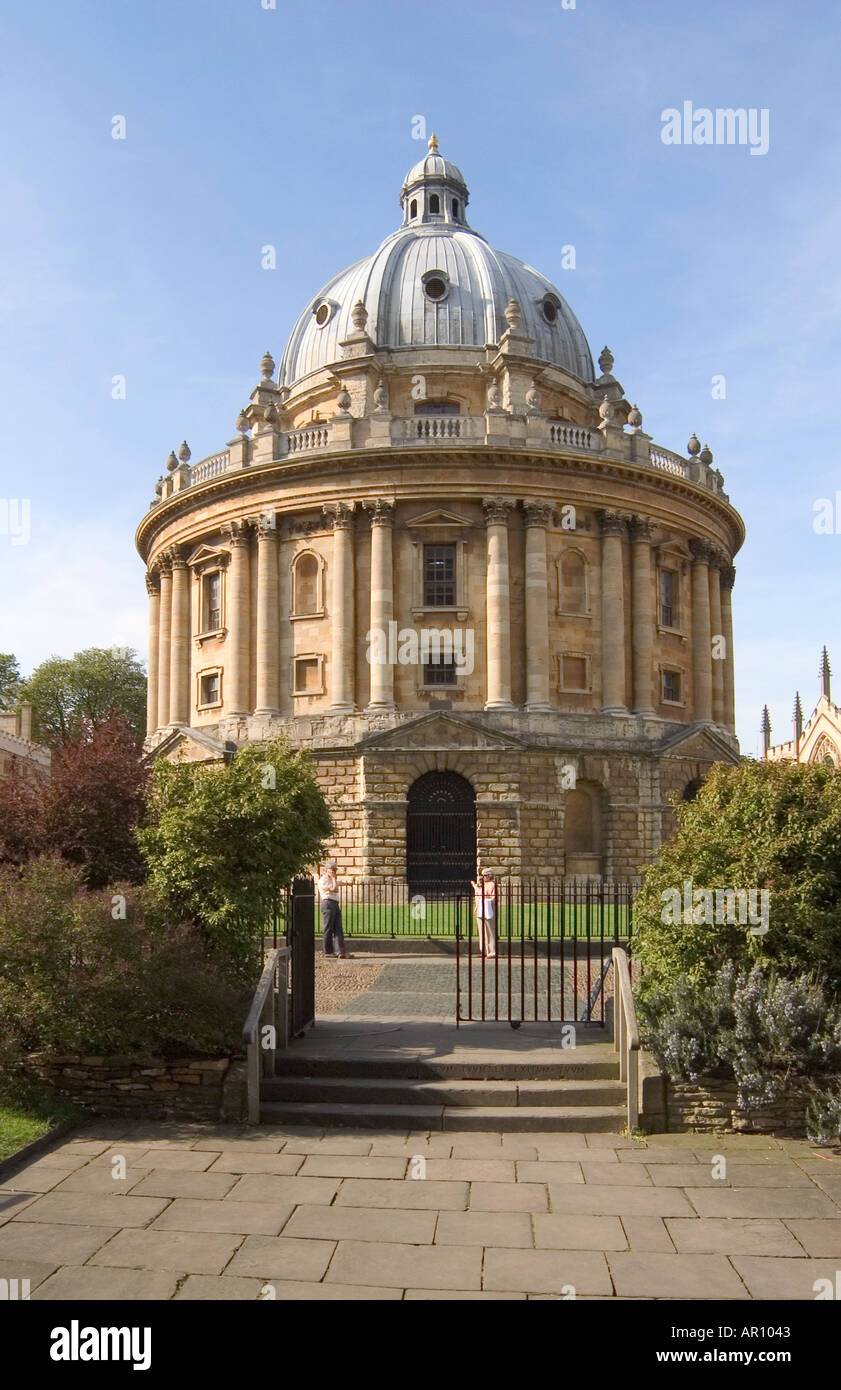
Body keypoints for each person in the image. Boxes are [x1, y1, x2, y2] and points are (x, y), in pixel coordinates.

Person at [317, 858, 348, 958]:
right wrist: (334, 879)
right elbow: (334, 889)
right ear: (326, 870)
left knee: (338, 928)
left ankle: (340, 952)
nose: (334, 872)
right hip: (328, 904)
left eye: (335, 870)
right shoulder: (322, 881)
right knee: (328, 928)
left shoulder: (331, 880)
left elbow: (339, 883)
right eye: (332, 870)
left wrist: (347, 884)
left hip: (335, 904)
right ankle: (328, 951)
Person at [470, 868, 497, 958]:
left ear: (490, 876)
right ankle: (484, 950)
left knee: (489, 930)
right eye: (483, 875)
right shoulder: (483, 885)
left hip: (488, 909)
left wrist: (476, 887)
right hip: (480, 908)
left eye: (485, 875)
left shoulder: (492, 885)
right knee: (482, 931)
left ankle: (491, 951)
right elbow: (478, 895)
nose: (483, 877)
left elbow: (492, 897)